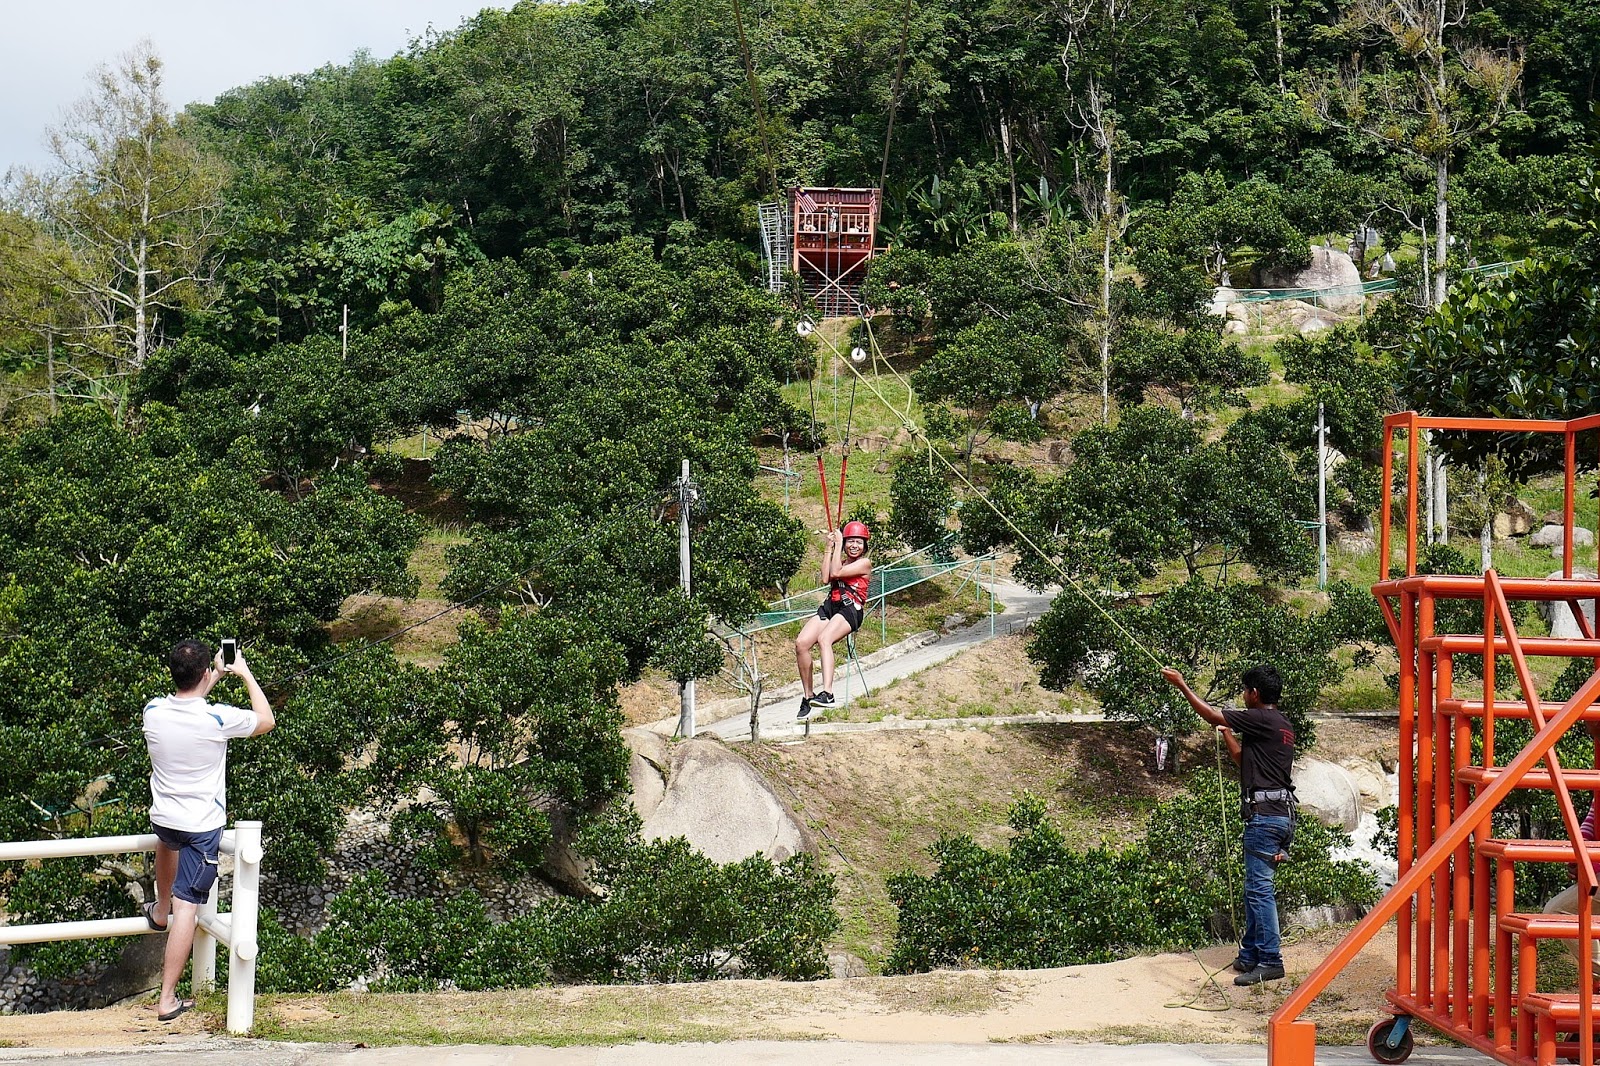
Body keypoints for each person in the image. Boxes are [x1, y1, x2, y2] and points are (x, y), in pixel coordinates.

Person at [142, 639, 275, 1021]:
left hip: (165, 817)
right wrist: (243, 672)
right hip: (201, 826)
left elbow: (188, 701)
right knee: (190, 907)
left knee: (166, 847)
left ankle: (159, 908)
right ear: (203, 673)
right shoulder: (217, 719)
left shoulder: (152, 711)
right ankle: (167, 999)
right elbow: (266, 720)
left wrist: (212, 675)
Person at [1163, 663, 1296, 986]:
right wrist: (1228, 738)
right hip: (1279, 814)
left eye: (1245, 690)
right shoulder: (1281, 725)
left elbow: (1210, 715)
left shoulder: (1261, 718)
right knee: (1255, 888)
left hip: (1264, 816)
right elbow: (1243, 761)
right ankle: (1250, 954)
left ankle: (1270, 959)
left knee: (1259, 890)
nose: (1244, 695)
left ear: (1254, 693)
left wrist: (1181, 683)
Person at [795, 521, 874, 720]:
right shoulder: (841, 560)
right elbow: (825, 577)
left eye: (859, 542)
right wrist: (829, 548)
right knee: (802, 644)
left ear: (864, 546)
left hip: (851, 609)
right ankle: (808, 696)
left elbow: (837, 573)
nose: (854, 545)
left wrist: (839, 544)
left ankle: (828, 693)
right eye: (850, 541)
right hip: (832, 605)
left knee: (824, 639)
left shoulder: (864, 563)